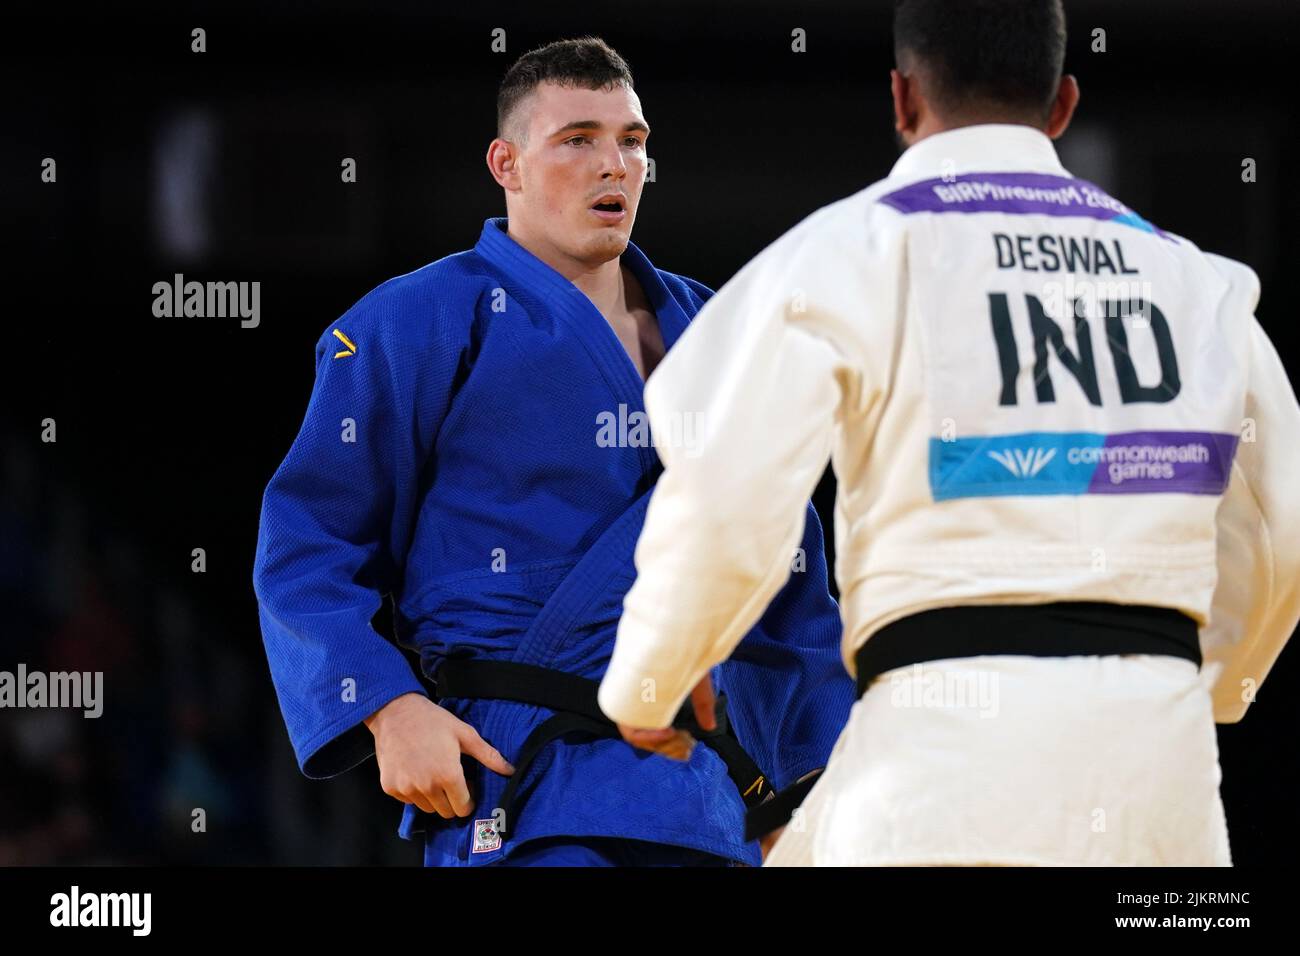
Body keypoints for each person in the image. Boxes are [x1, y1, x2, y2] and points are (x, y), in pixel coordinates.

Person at [597, 0, 1300, 866]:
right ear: (1063, 106)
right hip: (1163, 776)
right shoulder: (1202, 287)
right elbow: (1279, 535)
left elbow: (727, 487)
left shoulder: (849, 251)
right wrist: (1210, 684)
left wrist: (656, 668)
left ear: (901, 98)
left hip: (939, 756)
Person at [252, 36, 854, 867]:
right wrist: (389, 708)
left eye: (632, 142)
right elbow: (308, 543)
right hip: (522, 785)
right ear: (508, 162)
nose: (614, 164)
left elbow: (791, 590)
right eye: (578, 140)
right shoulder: (414, 322)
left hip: (706, 803)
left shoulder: (725, 337)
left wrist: (814, 784)